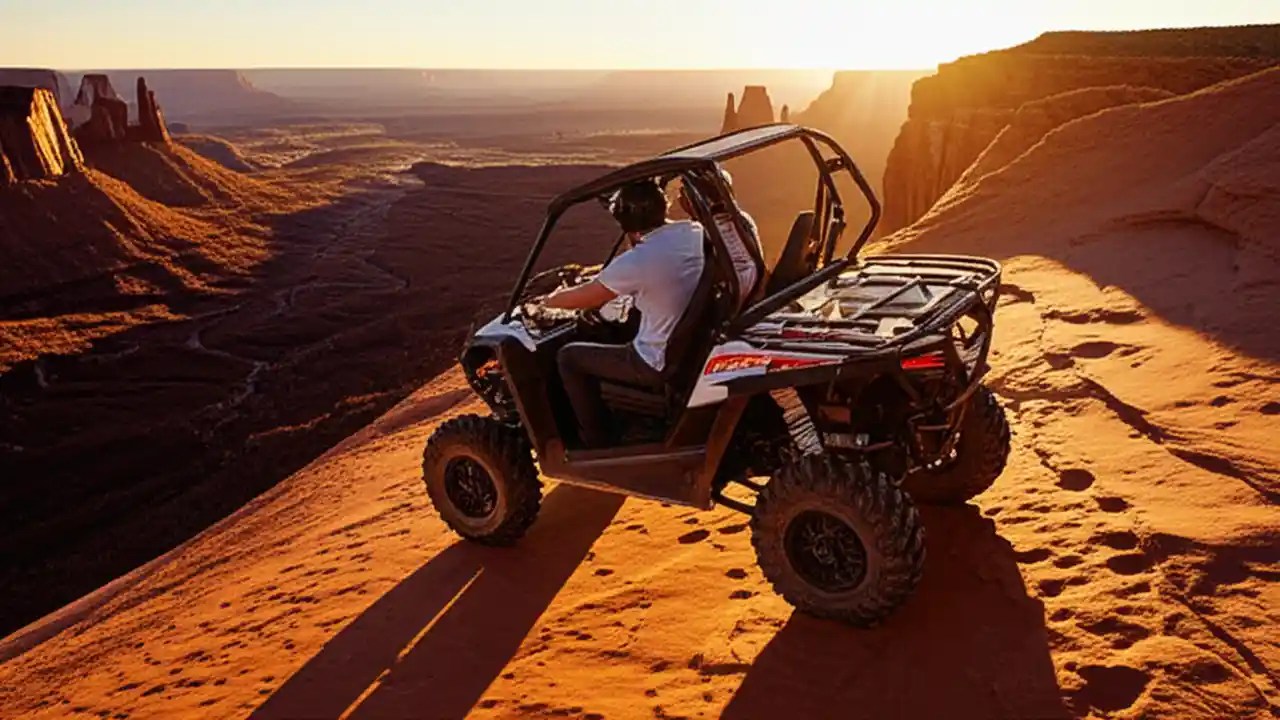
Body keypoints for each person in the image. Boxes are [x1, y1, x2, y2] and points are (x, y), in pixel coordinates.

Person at [543, 179, 704, 447]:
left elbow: (586, 298)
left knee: (569, 357)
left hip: (653, 359)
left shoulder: (638, 260)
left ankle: (596, 442)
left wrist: (550, 300)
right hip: (690, 341)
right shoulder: (694, 233)